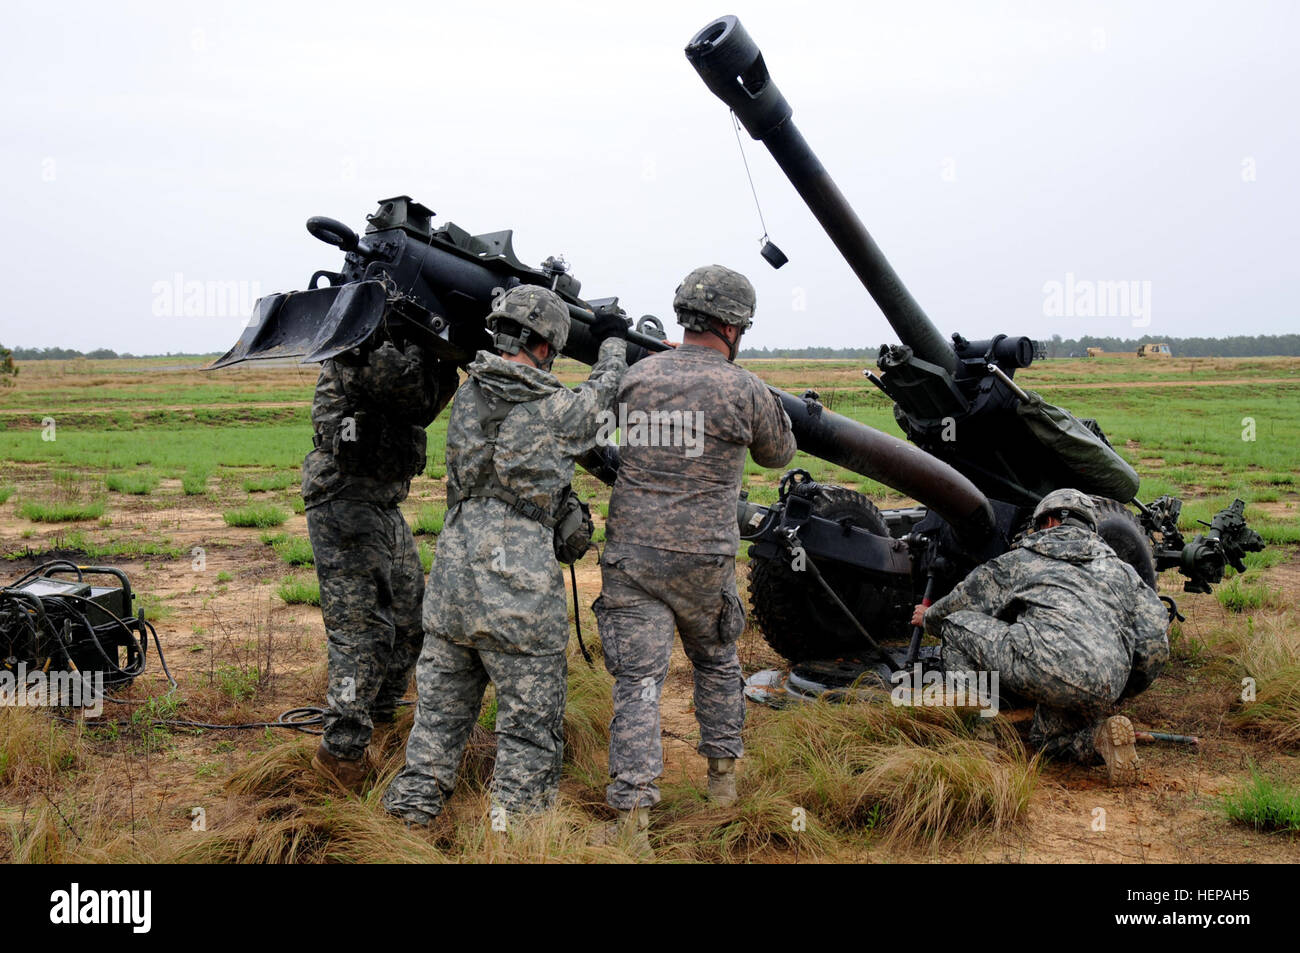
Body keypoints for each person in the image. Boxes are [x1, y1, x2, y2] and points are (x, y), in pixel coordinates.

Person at [383, 285, 629, 826]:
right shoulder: (557, 409)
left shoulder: (468, 395)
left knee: (438, 719)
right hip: (518, 597)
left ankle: (408, 818)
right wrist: (612, 340)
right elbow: (602, 395)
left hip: (451, 587)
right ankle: (515, 834)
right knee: (528, 729)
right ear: (546, 346)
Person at [594, 264, 797, 847]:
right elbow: (778, 455)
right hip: (704, 562)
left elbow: (596, 434)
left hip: (633, 558)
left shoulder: (636, 378)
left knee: (637, 683)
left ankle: (632, 824)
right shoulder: (744, 388)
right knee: (715, 663)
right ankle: (723, 786)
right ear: (734, 327)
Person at [915, 488, 1170, 785]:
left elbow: (966, 600)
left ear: (1049, 522)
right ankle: (1099, 738)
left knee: (957, 626)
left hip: (1047, 669)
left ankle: (980, 735)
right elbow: (1154, 642)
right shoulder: (1122, 571)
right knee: (1046, 737)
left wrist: (928, 618)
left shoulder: (1024, 559)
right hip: (1105, 685)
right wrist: (1121, 689)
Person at [304, 334, 459, 792]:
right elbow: (408, 393)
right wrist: (445, 356)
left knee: (412, 622)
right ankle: (341, 755)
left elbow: (423, 406)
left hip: (383, 502)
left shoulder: (400, 336)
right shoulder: (367, 336)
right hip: (345, 498)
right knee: (362, 634)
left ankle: (382, 722)